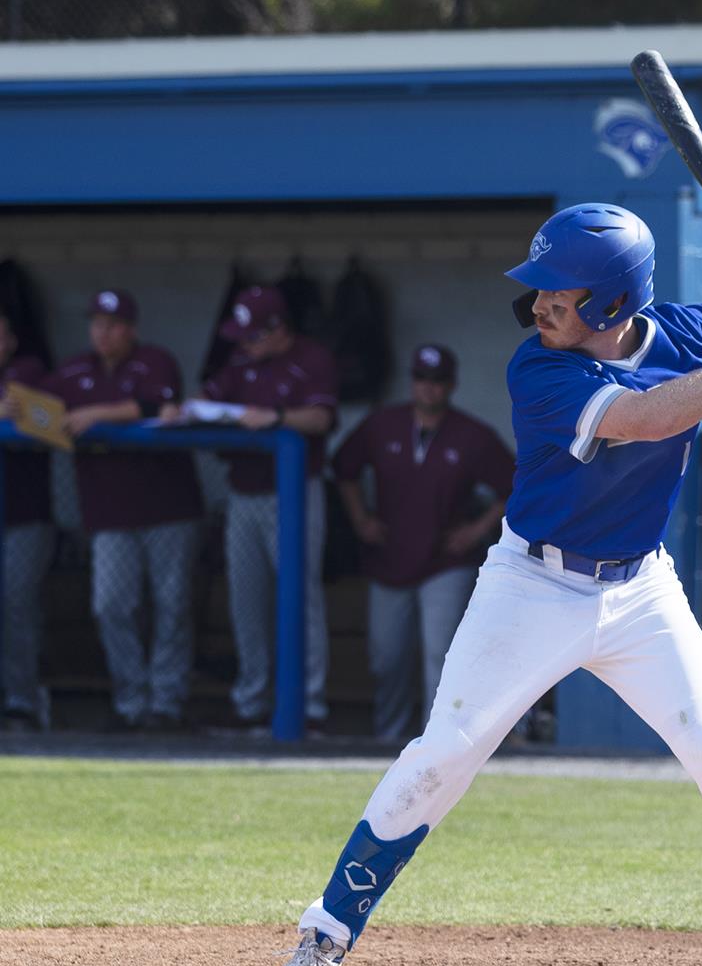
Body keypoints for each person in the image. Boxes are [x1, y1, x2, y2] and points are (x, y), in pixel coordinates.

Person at [259, 202, 702, 966]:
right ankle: (323, 937)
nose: (540, 302)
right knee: (444, 752)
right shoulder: (538, 370)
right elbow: (654, 419)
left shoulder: (686, 330)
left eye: (561, 291)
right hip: (531, 585)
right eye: (541, 287)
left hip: (642, 588)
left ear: (616, 302)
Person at [167, 286, 339, 731]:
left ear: (278, 329)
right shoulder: (240, 362)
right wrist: (187, 409)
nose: (243, 344)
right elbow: (208, 396)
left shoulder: (311, 358)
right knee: (246, 599)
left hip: (295, 492)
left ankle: (311, 704)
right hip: (243, 492)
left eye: (252, 335)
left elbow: (321, 419)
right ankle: (252, 700)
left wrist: (276, 418)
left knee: (301, 596)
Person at [332, 343, 513, 744]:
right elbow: (343, 468)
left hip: (446, 561)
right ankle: (388, 739)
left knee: (441, 657)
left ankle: (438, 746)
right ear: (411, 381)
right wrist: (360, 517)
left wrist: (477, 528)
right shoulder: (383, 424)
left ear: (451, 385)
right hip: (388, 557)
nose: (428, 388)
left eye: (437, 381)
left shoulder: (472, 434)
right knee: (386, 658)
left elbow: (515, 487)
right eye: (421, 379)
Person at [43, 290, 205, 730]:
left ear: (130, 328)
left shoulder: (154, 359)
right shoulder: (75, 370)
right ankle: (132, 703)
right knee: (111, 605)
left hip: (168, 508)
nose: (103, 332)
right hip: (109, 510)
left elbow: (159, 404)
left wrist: (95, 414)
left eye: (112, 324)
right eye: (97, 322)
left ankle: (165, 704)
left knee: (171, 606)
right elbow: (39, 410)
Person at [0, 310, 53, 731]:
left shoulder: (29, 370)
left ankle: (21, 701)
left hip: (24, 514)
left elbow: (50, 420)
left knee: (18, 606)